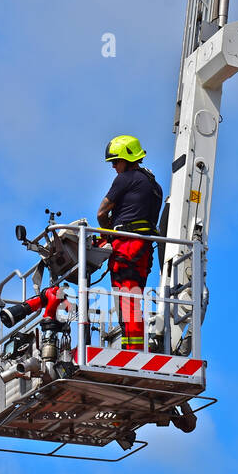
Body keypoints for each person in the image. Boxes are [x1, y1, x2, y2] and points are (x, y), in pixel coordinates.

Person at [96, 135, 162, 352]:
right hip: (143, 251)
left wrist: (106, 234)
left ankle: (133, 353)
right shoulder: (155, 186)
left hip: (126, 247)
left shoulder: (125, 179)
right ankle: (131, 347)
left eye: (116, 161)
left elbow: (101, 213)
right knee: (133, 299)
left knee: (127, 300)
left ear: (128, 157)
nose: (114, 167)